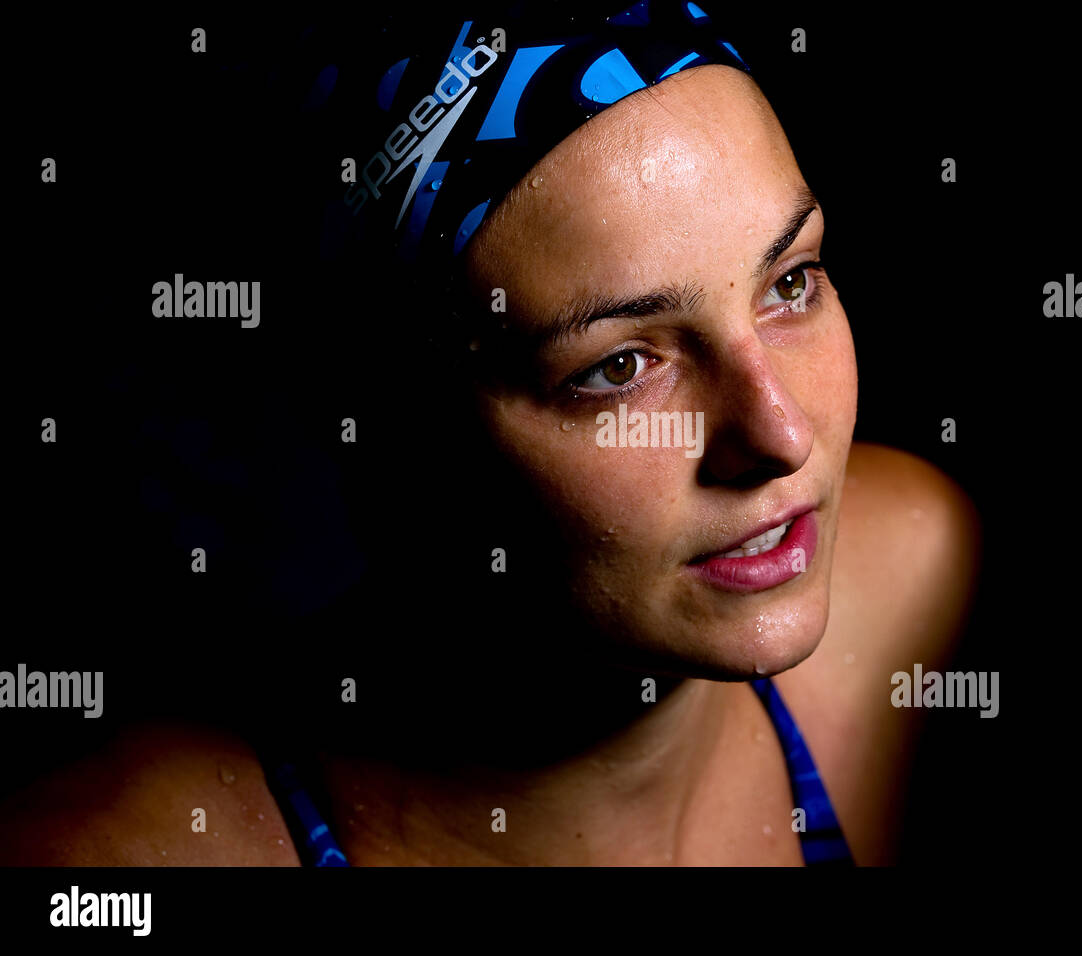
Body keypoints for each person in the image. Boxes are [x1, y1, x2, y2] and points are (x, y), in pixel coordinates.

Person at [0, 4, 979, 866]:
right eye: (618, 366)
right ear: (400, 430)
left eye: (790, 283)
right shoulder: (117, 859)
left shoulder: (908, 588)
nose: (778, 433)